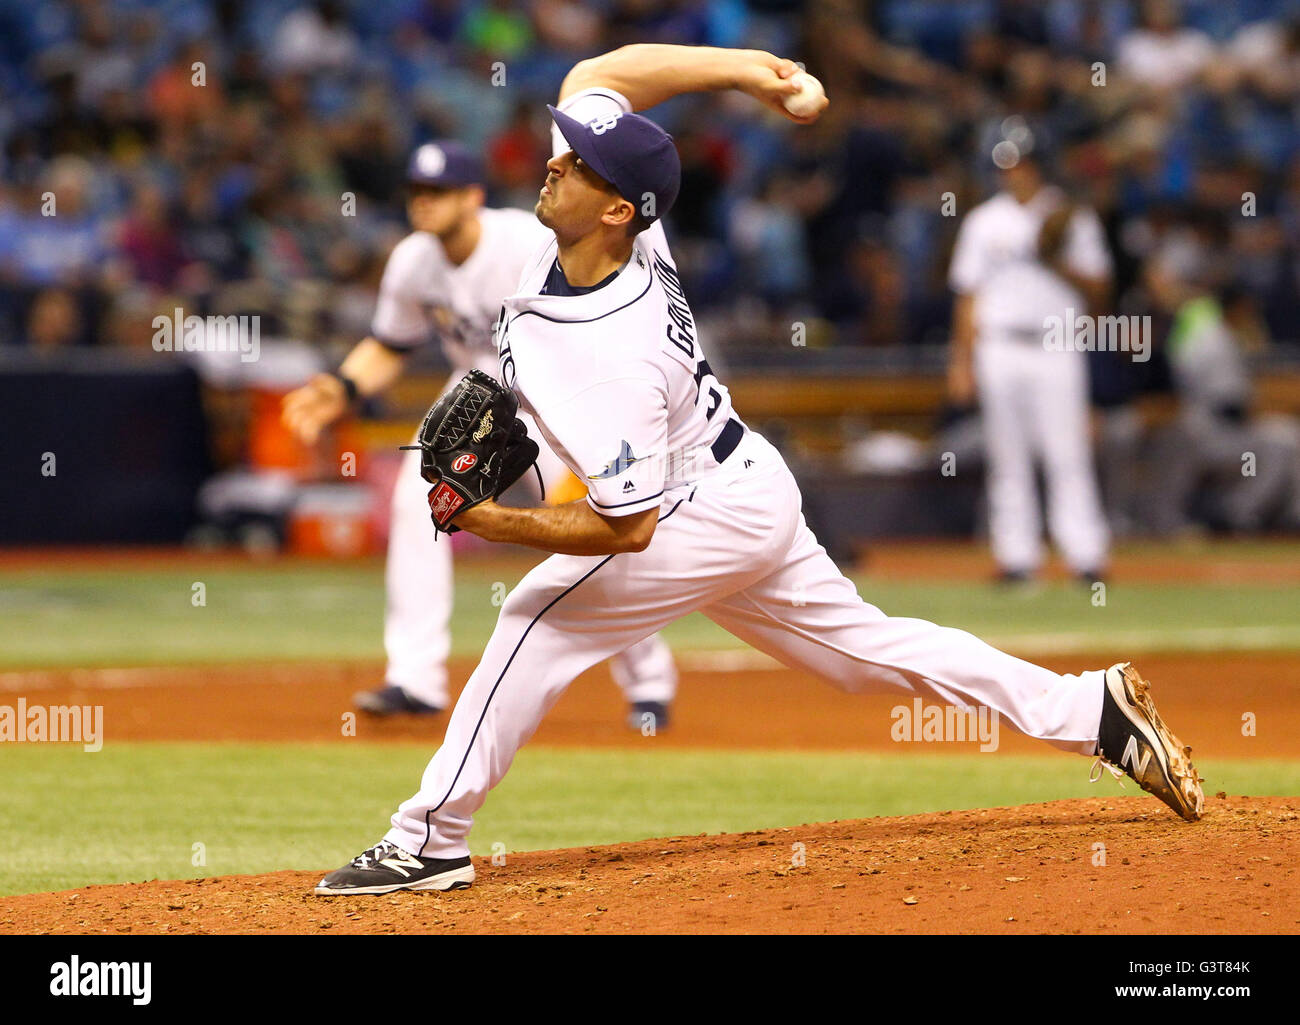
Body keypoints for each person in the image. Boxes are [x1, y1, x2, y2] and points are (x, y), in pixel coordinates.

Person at [314, 44, 1202, 897]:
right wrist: (744, 73)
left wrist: (486, 521)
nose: (552, 166)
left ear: (619, 207)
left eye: (575, 165)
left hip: (700, 506)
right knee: (864, 656)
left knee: (536, 615)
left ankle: (426, 839)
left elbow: (629, 529)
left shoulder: (609, 351)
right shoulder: (604, 231)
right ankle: (1090, 712)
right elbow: (601, 74)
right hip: (742, 478)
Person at [282, 141, 678, 727]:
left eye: (438, 191)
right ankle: (414, 680)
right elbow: (392, 344)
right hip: (475, 393)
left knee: (598, 528)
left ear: (474, 197)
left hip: (556, 390)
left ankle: (649, 676)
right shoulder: (414, 260)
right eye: (417, 191)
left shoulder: (523, 242)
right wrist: (341, 387)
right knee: (419, 500)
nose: (424, 202)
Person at [947, 145, 1112, 583]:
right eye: (1005, 165)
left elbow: (1100, 290)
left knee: (1067, 451)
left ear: (1039, 165)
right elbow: (969, 294)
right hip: (999, 344)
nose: (1012, 173)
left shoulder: (1069, 216)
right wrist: (961, 360)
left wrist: (1055, 257)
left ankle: (1085, 556)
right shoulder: (984, 220)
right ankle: (1017, 559)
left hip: (1057, 342)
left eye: (1020, 163)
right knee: (1007, 455)